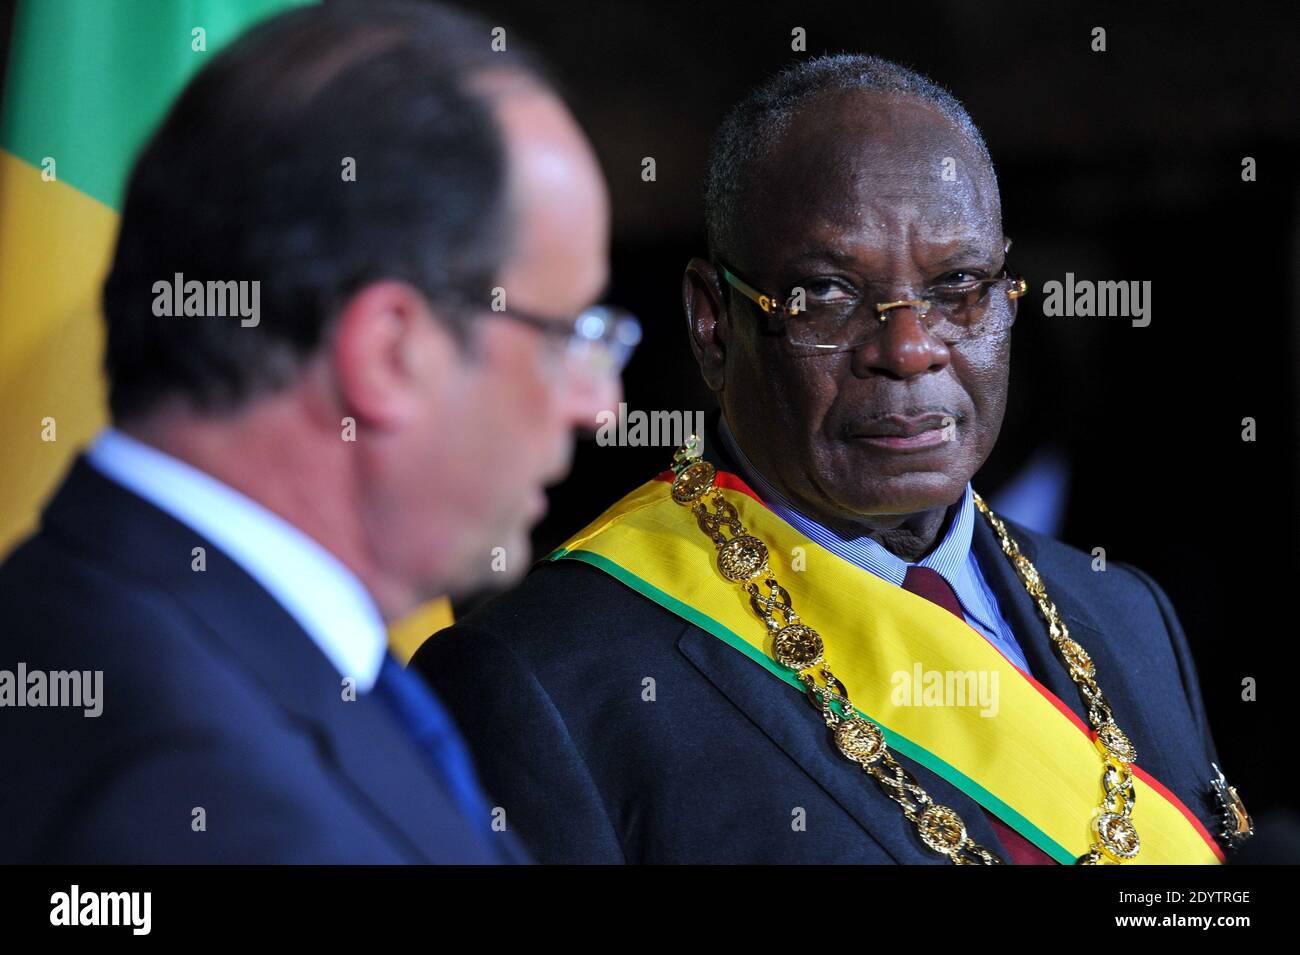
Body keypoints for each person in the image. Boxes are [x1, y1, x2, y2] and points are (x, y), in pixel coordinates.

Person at [411, 54, 1251, 864]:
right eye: (829, 295)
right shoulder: (543, 679)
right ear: (713, 325)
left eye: (959, 286)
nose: (910, 348)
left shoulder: (1127, 615)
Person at [0, 1, 634, 863]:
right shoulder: (199, 800)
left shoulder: (146, 637)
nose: (601, 408)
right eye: (570, 336)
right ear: (390, 352)